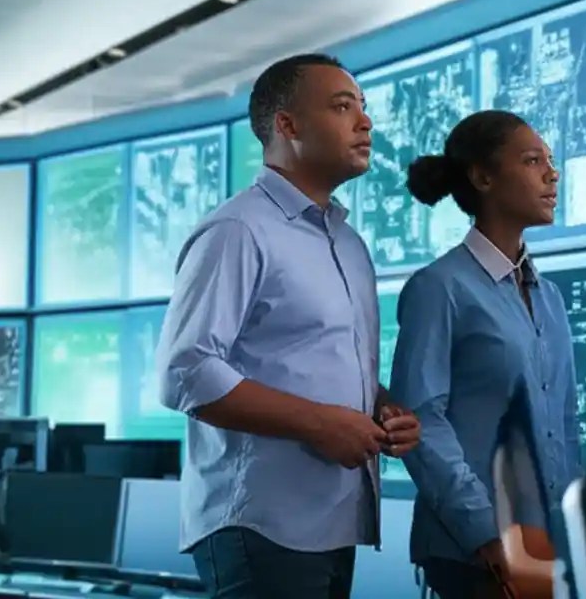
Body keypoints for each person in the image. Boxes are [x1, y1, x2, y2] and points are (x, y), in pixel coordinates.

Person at [156, 53, 421, 599]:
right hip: (262, 524)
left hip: (334, 520)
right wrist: (321, 424)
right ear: (287, 125)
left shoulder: (347, 244)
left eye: (363, 108)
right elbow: (185, 372)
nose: (365, 122)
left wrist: (382, 408)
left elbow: (317, 362)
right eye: (342, 106)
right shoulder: (237, 230)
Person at [390, 109, 582, 599]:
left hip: (544, 547)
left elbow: (563, 422)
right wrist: (484, 532)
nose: (552, 173)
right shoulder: (439, 288)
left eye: (551, 161)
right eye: (533, 160)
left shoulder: (549, 298)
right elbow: (421, 422)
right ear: (483, 177)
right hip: (473, 552)